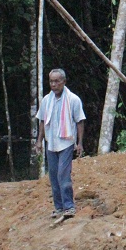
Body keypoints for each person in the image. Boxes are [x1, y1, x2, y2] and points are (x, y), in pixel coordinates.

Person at [36, 68, 85, 219]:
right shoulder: (46, 100)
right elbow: (43, 121)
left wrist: (79, 143)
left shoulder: (73, 100)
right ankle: (58, 207)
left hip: (66, 143)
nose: (54, 84)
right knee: (53, 176)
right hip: (51, 142)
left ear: (64, 81)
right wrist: (39, 140)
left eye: (57, 81)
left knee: (63, 175)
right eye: (51, 81)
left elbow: (80, 121)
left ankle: (69, 206)